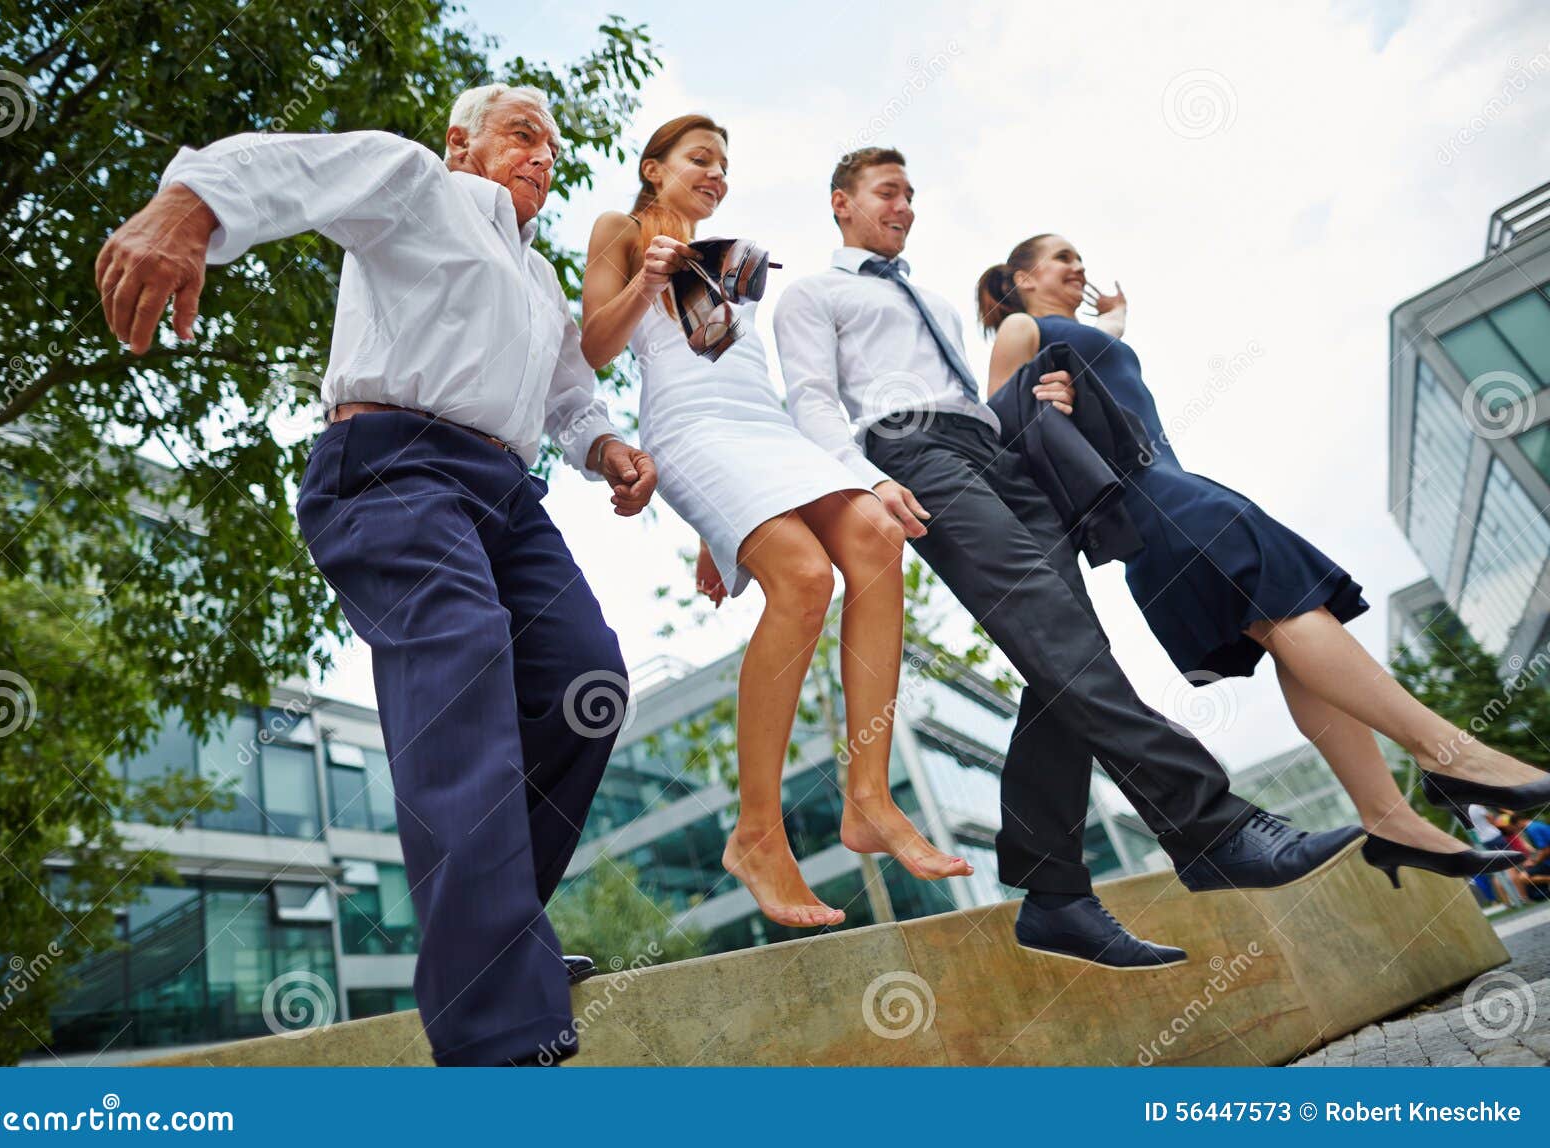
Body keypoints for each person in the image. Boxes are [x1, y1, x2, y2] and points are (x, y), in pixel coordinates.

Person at [95, 85, 657, 1066]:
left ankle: (495, 940)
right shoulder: (418, 181)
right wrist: (187, 205)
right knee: (462, 653)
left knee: (586, 681)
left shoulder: (536, 280)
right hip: (394, 465)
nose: (543, 157)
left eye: (554, 149)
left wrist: (604, 445)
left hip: (506, 492)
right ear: (462, 143)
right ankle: (498, 1027)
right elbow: (297, 168)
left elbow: (568, 390)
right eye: (523, 134)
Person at [774, 147, 1366, 971]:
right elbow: (809, 398)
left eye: (910, 193)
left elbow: (975, 397)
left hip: (999, 453)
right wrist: (865, 478)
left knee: (1065, 655)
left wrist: (1039, 397)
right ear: (841, 202)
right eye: (886, 192)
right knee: (1060, 636)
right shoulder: (813, 294)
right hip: (912, 453)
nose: (904, 205)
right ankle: (1211, 826)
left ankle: (1053, 895)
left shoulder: (933, 300)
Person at [978, 233, 1539, 889]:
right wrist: (1043, 398)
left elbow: (1100, 348)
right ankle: (1449, 754)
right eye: (1062, 257)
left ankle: (1389, 819)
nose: (1079, 265)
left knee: (1293, 626)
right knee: (1292, 611)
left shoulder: (1076, 330)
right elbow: (997, 431)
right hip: (1151, 499)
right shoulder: (1020, 328)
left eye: (1080, 256)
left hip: (1170, 493)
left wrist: (1117, 319)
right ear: (1022, 278)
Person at [580, 116, 971, 930]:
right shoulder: (623, 230)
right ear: (653, 169)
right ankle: (756, 833)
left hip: (766, 426)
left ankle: (869, 796)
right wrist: (646, 280)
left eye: (724, 165)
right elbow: (594, 346)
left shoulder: (734, 255)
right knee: (803, 577)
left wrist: (716, 528)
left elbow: (733, 357)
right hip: (691, 428)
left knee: (877, 535)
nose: (716, 174)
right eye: (700, 159)